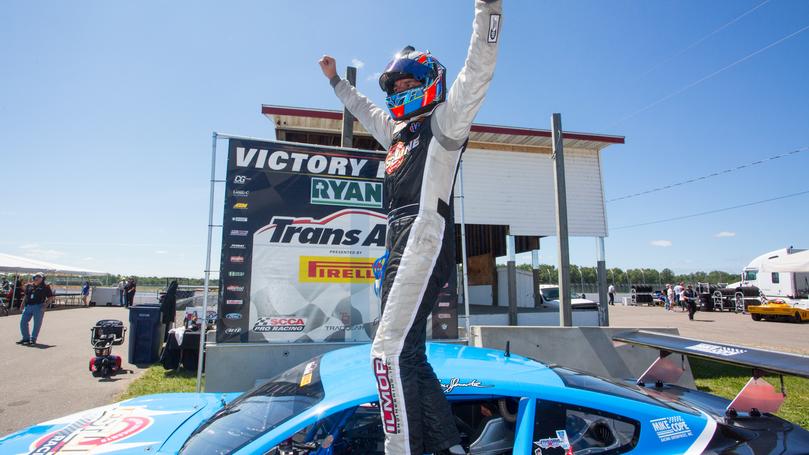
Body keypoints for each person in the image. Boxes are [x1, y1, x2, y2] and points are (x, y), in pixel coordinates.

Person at [319, 1, 502, 453]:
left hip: (424, 233)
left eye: (408, 82)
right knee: (410, 353)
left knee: (384, 353)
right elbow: (363, 108)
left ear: (428, 82)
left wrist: (489, 9)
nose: (400, 90)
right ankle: (447, 445)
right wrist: (336, 82)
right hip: (398, 239)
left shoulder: (445, 123)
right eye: (395, 85)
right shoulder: (398, 131)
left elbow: (478, 67)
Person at [17, 272, 53, 345]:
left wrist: (45, 306)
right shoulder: (29, 286)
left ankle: (33, 339)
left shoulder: (46, 287)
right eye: (35, 277)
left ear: (42, 279)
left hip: (39, 306)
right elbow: (26, 296)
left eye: (39, 277)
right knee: (23, 322)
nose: (36, 278)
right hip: (28, 306)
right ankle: (26, 338)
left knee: (37, 324)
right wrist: (22, 304)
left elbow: (50, 297)